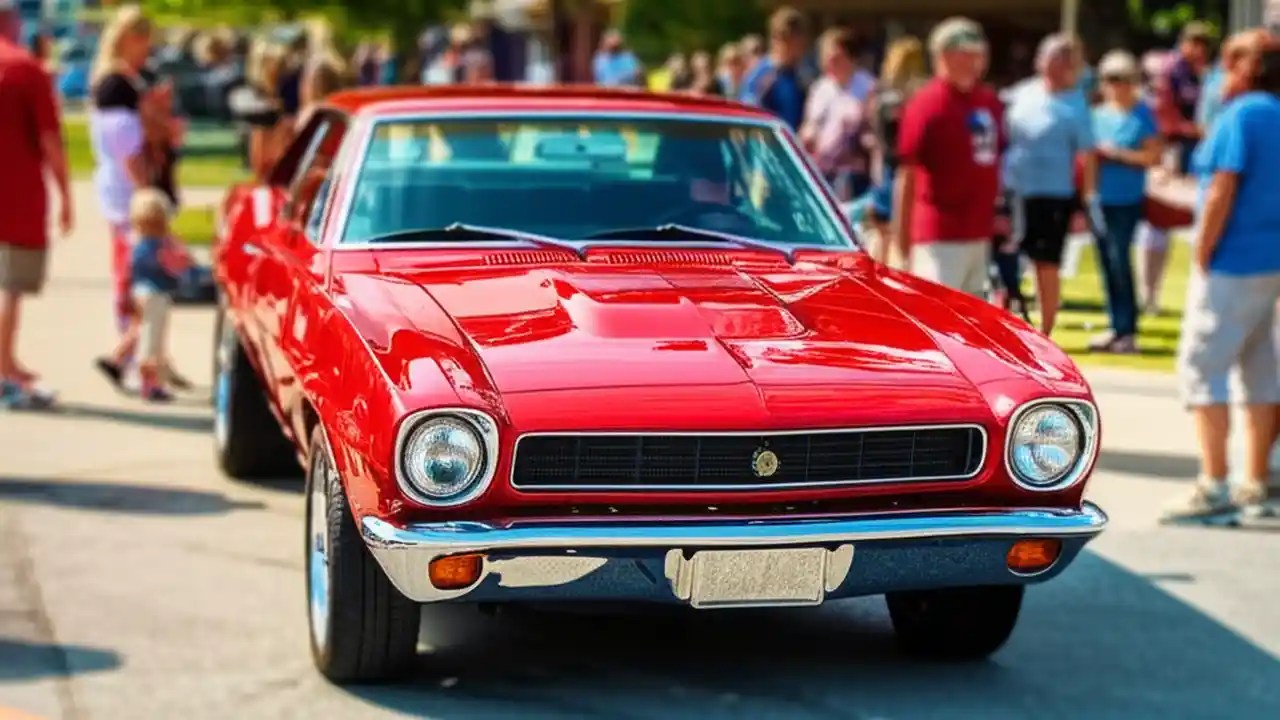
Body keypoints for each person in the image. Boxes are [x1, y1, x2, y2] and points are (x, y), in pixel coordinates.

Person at [1163, 31, 1280, 523]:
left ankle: (1214, 484)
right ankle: (1255, 483)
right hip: (1270, 258)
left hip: (1232, 260)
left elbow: (1221, 189)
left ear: (1240, 68)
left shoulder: (1241, 115)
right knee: (1260, 368)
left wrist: (1203, 249)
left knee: (1202, 366)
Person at [891, 17, 1003, 297]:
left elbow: (992, 162)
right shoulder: (927, 104)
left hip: (979, 232)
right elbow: (907, 173)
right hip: (939, 236)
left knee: (974, 322)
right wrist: (901, 241)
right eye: (967, 54)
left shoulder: (988, 101)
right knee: (937, 317)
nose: (976, 61)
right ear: (944, 55)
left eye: (979, 53)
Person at [0, 0, 71, 408]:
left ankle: (7, 362)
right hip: (18, 194)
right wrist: (65, 197)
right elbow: (49, 140)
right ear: (11, 22)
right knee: (10, 286)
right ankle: (5, 367)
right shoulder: (26, 70)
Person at [1003, 34, 1099, 336]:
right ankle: (1004, 322)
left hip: (1053, 193)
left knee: (1046, 262)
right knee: (1007, 257)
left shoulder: (1076, 105)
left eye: (1061, 60)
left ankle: (1045, 330)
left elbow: (1088, 157)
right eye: (1048, 57)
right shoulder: (1021, 94)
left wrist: (1085, 201)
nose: (1053, 65)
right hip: (1015, 189)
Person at [88, 4, 154, 352]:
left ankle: (135, 343)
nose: (148, 50)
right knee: (133, 273)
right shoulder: (117, 83)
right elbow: (125, 146)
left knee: (129, 270)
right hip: (126, 193)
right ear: (131, 38)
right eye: (145, 42)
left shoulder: (112, 78)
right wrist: (146, 192)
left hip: (117, 190)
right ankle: (130, 345)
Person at [1091, 50, 1161, 354]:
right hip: (1099, 199)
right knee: (1105, 262)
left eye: (1120, 80)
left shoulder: (1143, 114)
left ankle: (1128, 329)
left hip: (1126, 200)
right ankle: (1115, 325)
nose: (1115, 86)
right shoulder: (1097, 114)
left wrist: (1117, 154)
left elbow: (1152, 156)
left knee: (1120, 261)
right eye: (1109, 79)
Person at [865, 35, 928, 267]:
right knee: (900, 233)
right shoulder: (912, 100)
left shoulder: (879, 98)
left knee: (884, 234)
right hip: (903, 170)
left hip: (885, 168)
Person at [114, 189, 182, 403]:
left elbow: (126, 272)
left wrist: (124, 295)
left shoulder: (134, 243)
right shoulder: (162, 245)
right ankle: (150, 384)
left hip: (139, 293)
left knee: (146, 336)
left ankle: (125, 363)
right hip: (157, 295)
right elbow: (175, 265)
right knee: (153, 342)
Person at [799, 28, 867, 202]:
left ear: (851, 58)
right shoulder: (820, 88)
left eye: (836, 57)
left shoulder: (867, 88)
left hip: (854, 175)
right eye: (826, 57)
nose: (830, 62)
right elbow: (810, 123)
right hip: (822, 170)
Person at [1154, 22, 1215, 174]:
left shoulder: (1196, 67)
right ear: (1183, 42)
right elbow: (1163, 107)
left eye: (1203, 45)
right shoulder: (1172, 67)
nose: (1199, 50)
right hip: (1175, 141)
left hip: (1192, 138)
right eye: (1194, 43)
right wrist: (1187, 128)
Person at [739, 6, 811, 131]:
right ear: (778, 40)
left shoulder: (800, 75)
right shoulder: (760, 73)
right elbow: (747, 112)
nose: (800, 48)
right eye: (795, 41)